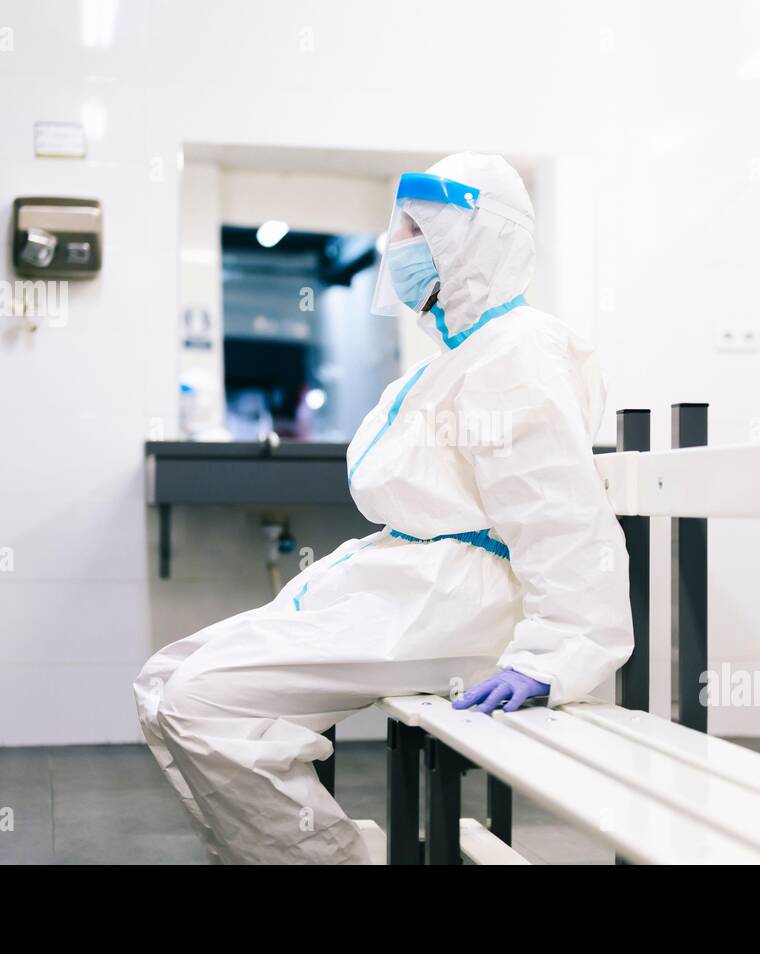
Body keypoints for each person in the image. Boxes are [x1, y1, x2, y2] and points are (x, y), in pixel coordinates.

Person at [133, 152, 632, 865]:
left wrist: (555, 654)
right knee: (163, 683)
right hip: (417, 581)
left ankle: (344, 860)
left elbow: (560, 514)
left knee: (201, 702)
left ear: (470, 239)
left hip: (467, 597)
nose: (393, 245)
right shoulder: (459, 356)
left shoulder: (517, 351)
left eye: (411, 228)